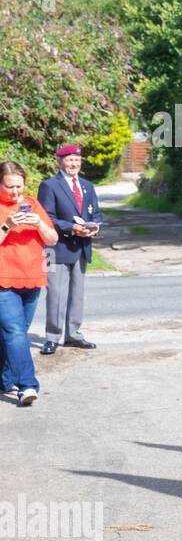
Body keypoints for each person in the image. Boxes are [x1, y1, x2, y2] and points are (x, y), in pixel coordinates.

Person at [0, 160, 60, 406]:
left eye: (19, 187)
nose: (15, 192)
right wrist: (7, 225)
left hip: (33, 277)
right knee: (14, 333)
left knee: (15, 335)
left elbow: (53, 239)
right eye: (9, 187)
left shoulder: (32, 204)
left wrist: (40, 224)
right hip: (4, 280)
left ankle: (4, 380)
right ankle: (28, 385)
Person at [36, 144, 103, 355]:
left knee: (77, 295)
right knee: (55, 294)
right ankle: (52, 337)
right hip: (55, 248)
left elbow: (96, 215)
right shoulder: (49, 185)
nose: (74, 164)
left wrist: (93, 228)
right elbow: (47, 218)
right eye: (69, 160)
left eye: (77, 160)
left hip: (82, 248)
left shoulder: (87, 186)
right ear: (60, 161)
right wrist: (72, 228)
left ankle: (73, 335)